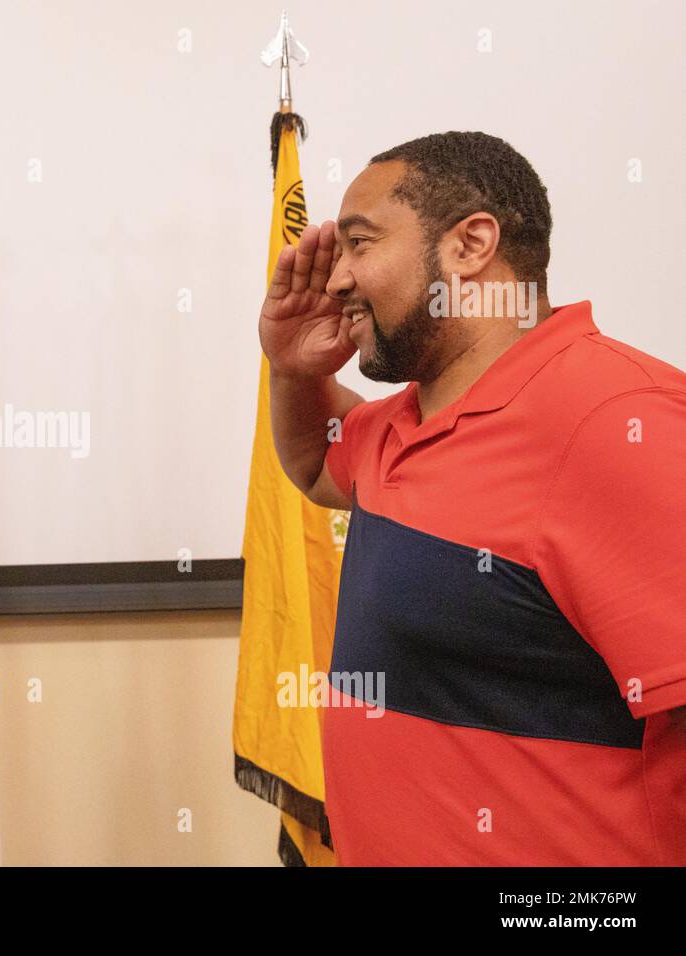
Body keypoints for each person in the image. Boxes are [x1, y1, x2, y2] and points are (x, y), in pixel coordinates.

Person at [259, 131, 686, 865]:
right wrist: (294, 371)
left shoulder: (619, 421)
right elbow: (311, 464)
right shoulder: (401, 421)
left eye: (360, 244)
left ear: (470, 244)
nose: (336, 281)